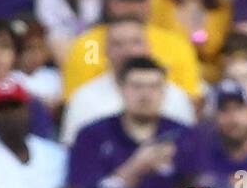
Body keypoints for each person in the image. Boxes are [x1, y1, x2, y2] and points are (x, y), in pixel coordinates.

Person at [67, 56, 196, 188]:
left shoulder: (184, 136)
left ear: (164, 91)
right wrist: (135, 167)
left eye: (154, 87)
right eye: (137, 86)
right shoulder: (92, 135)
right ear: (121, 89)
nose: (145, 95)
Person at [60, 15, 196, 144]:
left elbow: (189, 150)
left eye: (135, 42)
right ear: (105, 52)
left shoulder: (176, 96)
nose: (127, 51)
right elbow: (73, 151)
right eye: (118, 44)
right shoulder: (84, 97)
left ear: (148, 48)